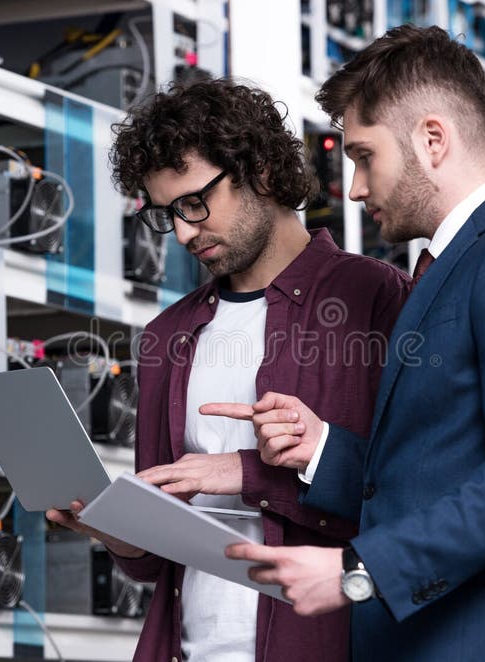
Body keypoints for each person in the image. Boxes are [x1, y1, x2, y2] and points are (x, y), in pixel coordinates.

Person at [215, 25, 485, 661]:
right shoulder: (454, 265)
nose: (354, 189)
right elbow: (437, 475)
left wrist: (360, 568)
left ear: (432, 140)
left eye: (365, 156)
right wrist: (321, 449)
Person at [46, 78, 410, 662]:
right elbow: (157, 556)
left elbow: (419, 497)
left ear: (261, 172)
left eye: (194, 202)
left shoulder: (375, 297)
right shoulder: (167, 336)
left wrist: (246, 472)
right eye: (168, 215)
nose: (185, 232)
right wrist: (116, 531)